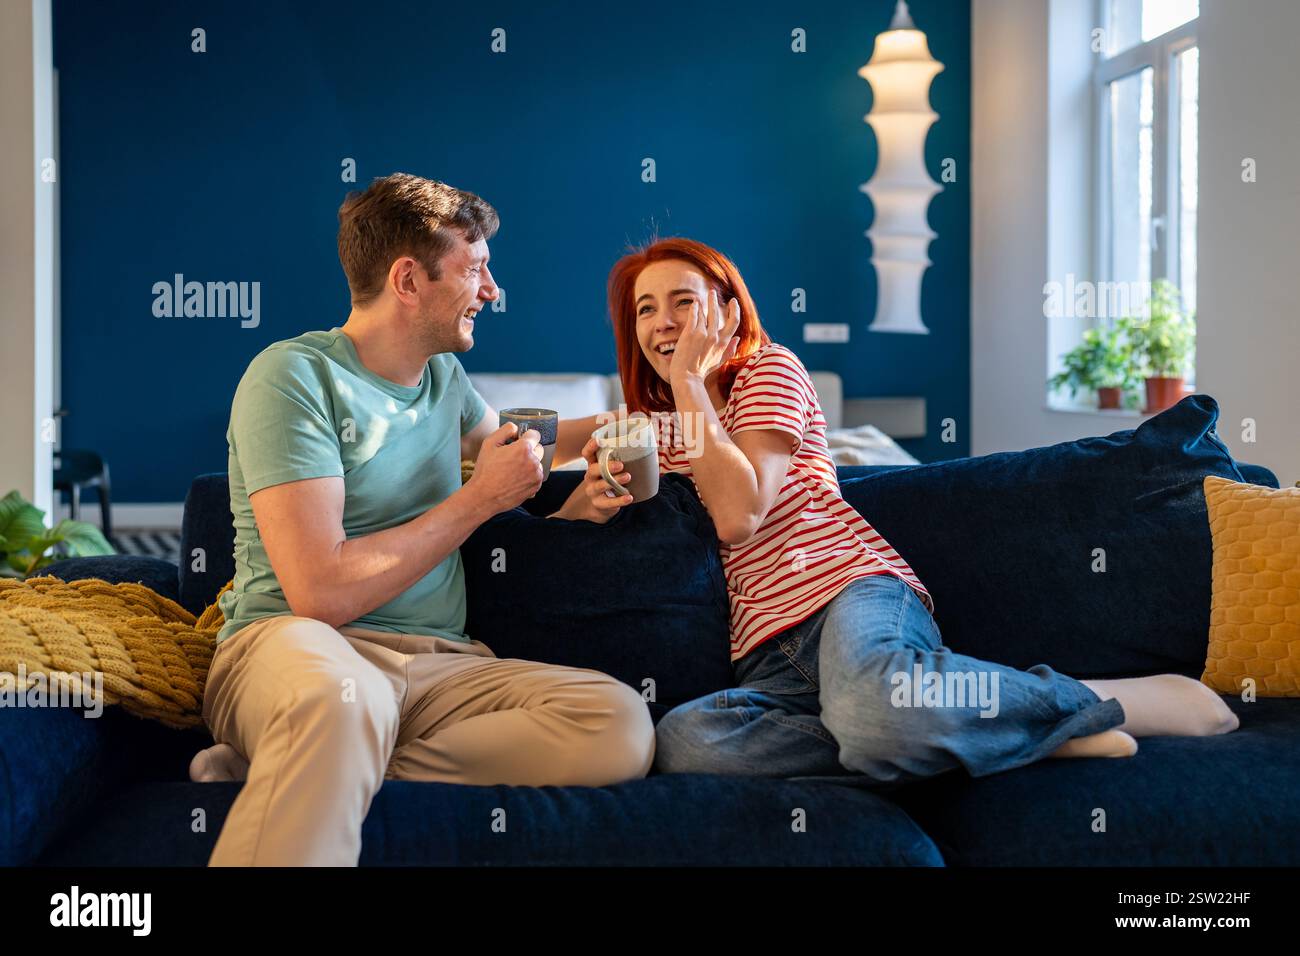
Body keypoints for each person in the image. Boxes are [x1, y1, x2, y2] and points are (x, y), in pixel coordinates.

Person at [568, 236, 1239, 786]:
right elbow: (538, 438)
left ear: (727, 312)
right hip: (768, 657)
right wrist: (513, 457)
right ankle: (991, 735)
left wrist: (689, 382)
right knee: (688, 742)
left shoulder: (770, 371)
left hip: (847, 594)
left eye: (682, 302)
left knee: (877, 708)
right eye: (644, 309)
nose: (662, 322)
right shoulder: (660, 426)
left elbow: (740, 512)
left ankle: (1095, 701)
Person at [189, 173, 653, 866]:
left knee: (618, 724)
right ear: (409, 280)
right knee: (339, 706)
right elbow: (321, 592)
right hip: (301, 646)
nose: (492, 292)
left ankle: (301, 769)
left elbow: (519, 442)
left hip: (438, 670)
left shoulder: (444, 382)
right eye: (476, 270)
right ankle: (315, 748)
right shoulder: (292, 377)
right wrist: (479, 500)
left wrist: (640, 425)